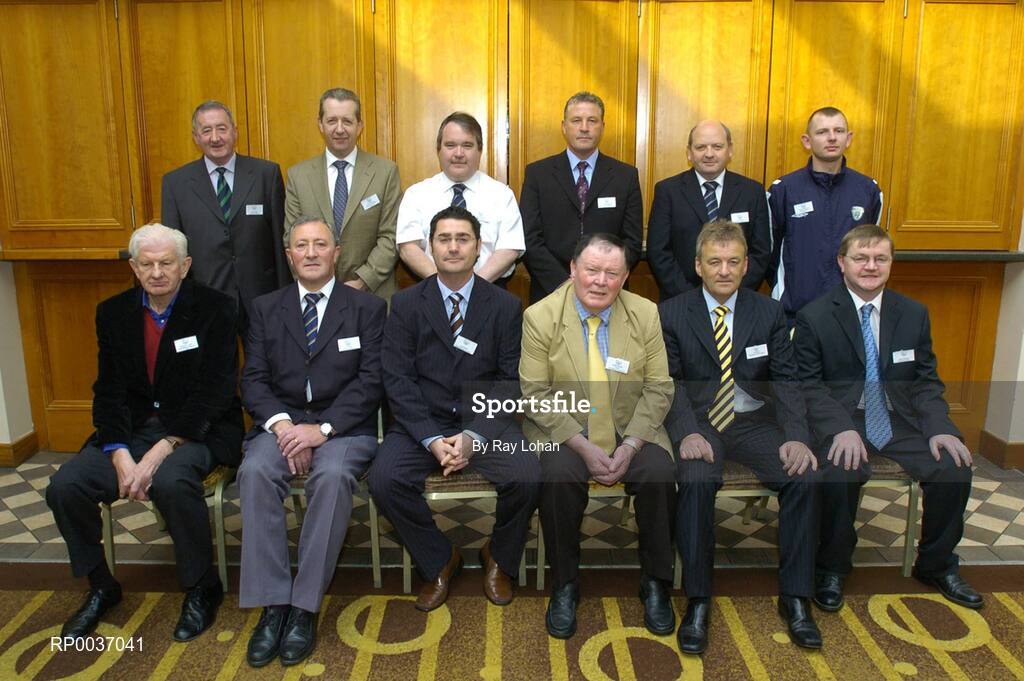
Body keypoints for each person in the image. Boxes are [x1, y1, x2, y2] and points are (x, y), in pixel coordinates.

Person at [46, 223, 243, 642]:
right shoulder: (113, 313)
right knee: (66, 485)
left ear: (185, 266)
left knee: (171, 482)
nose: (157, 272)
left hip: (197, 431)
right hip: (129, 432)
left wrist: (159, 453)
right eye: (147, 264)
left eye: (166, 263)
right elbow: (109, 390)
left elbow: (216, 390)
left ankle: (201, 585)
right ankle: (101, 584)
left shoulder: (217, 308)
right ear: (134, 268)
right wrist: (119, 452)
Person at [794, 224, 981, 613]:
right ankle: (831, 567)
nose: (870, 266)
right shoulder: (815, 317)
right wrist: (842, 429)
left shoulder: (913, 314)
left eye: (880, 258)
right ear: (842, 262)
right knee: (840, 468)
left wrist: (941, 429)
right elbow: (809, 387)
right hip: (843, 419)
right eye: (861, 258)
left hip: (898, 419)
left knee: (953, 464)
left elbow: (926, 383)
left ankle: (936, 565)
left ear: (891, 263)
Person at [660, 221, 821, 654]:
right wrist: (687, 433)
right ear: (698, 266)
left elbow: (787, 381)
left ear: (747, 265)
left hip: (752, 423)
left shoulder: (768, 312)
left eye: (734, 262)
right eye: (715, 261)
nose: (725, 270)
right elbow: (668, 384)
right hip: (700, 423)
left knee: (803, 475)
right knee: (695, 480)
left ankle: (796, 598)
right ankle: (697, 600)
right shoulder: (672, 312)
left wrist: (796, 436)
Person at [370, 206, 540, 612]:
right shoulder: (407, 304)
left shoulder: (504, 306)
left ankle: (499, 557)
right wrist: (431, 439)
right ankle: (438, 558)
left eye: (462, 239)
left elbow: (509, 381)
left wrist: (472, 436)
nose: (452, 247)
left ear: (479, 247)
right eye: (443, 239)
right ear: (430, 246)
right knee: (383, 479)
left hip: (485, 422)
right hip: (420, 423)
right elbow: (397, 378)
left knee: (529, 475)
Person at [238, 216, 386, 667]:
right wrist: (285, 427)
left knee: (335, 476)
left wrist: (321, 431)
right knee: (256, 471)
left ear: (337, 252)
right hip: (281, 425)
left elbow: (371, 381)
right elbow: (254, 380)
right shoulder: (266, 308)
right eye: (301, 246)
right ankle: (273, 604)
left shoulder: (368, 309)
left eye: (321, 244)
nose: (311, 253)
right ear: (289, 255)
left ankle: (303, 607)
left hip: (344, 427)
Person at [520, 233, 676, 639]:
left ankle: (656, 582)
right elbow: (535, 395)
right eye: (591, 270)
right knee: (558, 478)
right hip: (565, 429)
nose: (600, 281)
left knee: (660, 473)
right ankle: (565, 584)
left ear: (625, 277)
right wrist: (582, 444)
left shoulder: (645, 313)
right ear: (573, 269)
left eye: (612, 273)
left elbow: (659, 388)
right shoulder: (540, 316)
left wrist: (631, 445)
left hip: (631, 428)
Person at [161, 100, 289, 325]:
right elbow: (173, 250)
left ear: (234, 132)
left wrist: (285, 294)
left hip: (262, 297)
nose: (215, 137)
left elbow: (281, 241)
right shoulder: (175, 183)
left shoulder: (266, 174)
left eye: (222, 128)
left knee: (265, 361)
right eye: (206, 130)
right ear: (196, 137)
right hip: (206, 297)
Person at [520, 92, 643, 303]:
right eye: (576, 120)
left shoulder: (626, 176)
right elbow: (530, 238)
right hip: (550, 293)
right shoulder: (537, 174)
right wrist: (564, 284)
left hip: (608, 293)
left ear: (602, 127)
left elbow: (631, 241)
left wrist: (602, 280)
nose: (584, 127)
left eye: (592, 121)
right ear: (564, 126)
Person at [768, 107, 883, 321]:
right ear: (807, 141)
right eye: (822, 132)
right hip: (796, 313)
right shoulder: (783, 190)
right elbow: (770, 253)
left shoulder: (868, 191)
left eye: (838, 131)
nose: (831, 138)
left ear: (848, 139)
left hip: (850, 313)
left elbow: (873, 251)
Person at [285, 88, 401, 300]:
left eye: (347, 121)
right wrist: (320, 283)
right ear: (320, 124)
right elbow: (292, 238)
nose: (339, 129)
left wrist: (362, 281)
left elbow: (391, 236)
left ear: (359, 126)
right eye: (332, 121)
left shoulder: (385, 172)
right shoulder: (298, 176)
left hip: (373, 295)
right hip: (316, 296)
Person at [647, 120, 771, 300]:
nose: (709, 154)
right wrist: (691, 297)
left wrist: (731, 293)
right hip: (680, 301)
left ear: (730, 150)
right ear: (689, 153)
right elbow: (658, 251)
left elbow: (761, 252)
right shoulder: (668, 191)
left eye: (717, 146)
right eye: (701, 147)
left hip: (738, 301)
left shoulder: (752, 191)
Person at [397, 112, 524, 286]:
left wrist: (472, 287)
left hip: (489, 290)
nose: (458, 153)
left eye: (467, 145)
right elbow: (407, 247)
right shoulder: (416, 194)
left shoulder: (502, 195)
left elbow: (510, 249)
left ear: (480, 150)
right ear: (438, 150)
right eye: (450, 145)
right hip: (431, 292)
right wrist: (443, 286)